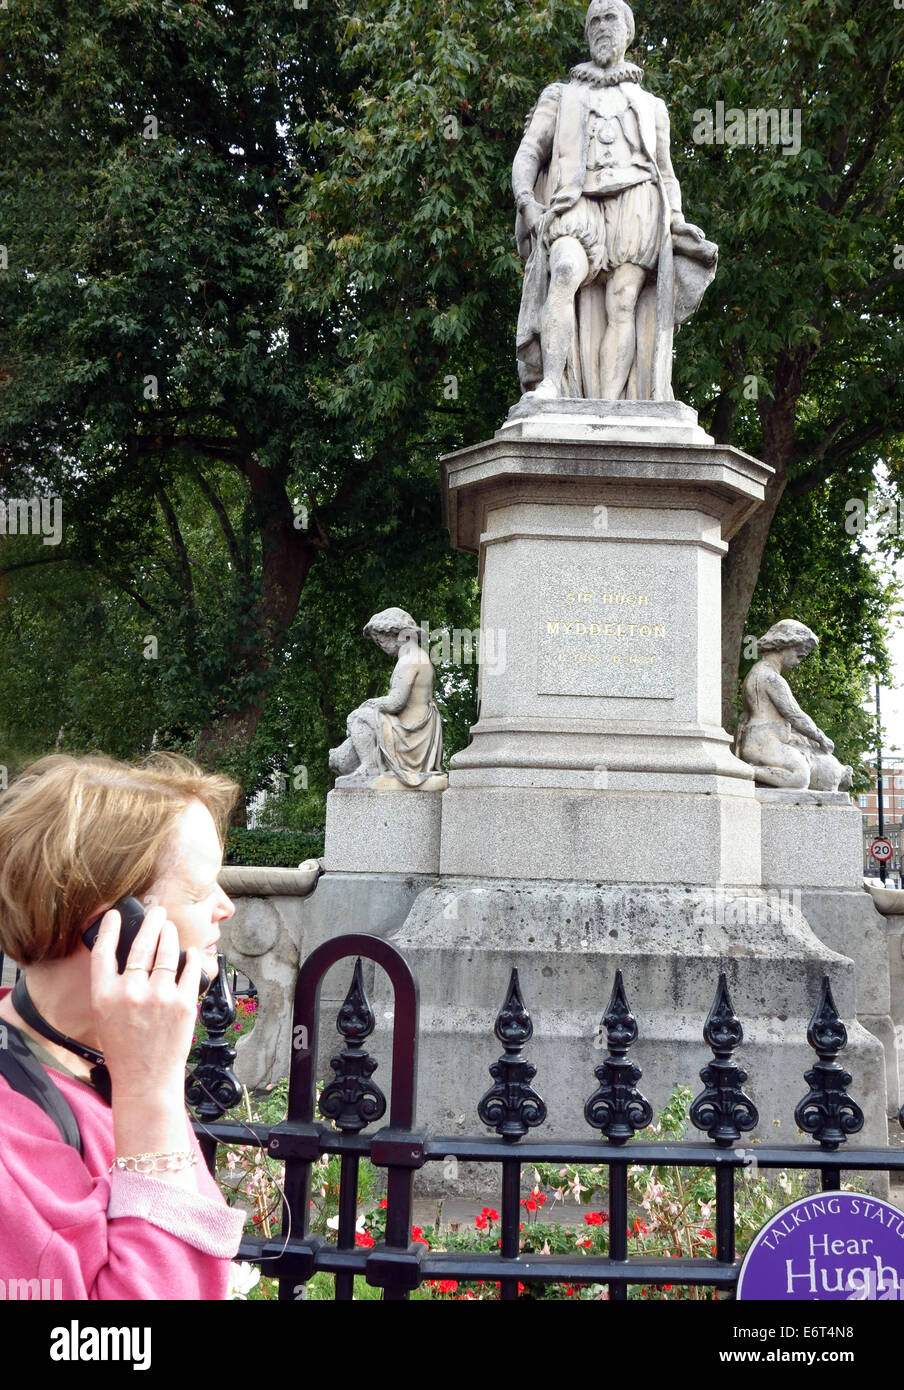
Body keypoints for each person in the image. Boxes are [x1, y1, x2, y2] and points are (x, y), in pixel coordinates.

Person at [0, 751, 247, 1299]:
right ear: (111, 926)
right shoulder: (12, 1144)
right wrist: (152, 1093)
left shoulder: (109, 1058)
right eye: (200, 890)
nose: (224, 907)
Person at [512, 0, 717, 402]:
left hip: (636, 205)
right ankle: (552, 383)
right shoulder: (560, 95)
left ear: (628, 31)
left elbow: (666, 170)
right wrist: (527, 202)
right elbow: (530, 152)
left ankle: (609, 407)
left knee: (623, 302)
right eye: (595, 21)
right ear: (588, 34)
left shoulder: (652, 106)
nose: (603, 27)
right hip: (577, 203)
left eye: (612, 19)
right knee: (566, 270)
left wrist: (676, 218)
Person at [734, 620, 853, 792]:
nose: (798, 663)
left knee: (805, 771)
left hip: (764, 741)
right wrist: (821, 738)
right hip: (764, 743)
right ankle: (745, 772)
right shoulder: (770, 677)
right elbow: (795, 715)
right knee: (801, 776)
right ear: (784, 645)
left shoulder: (759, 672)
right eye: (799, 656)